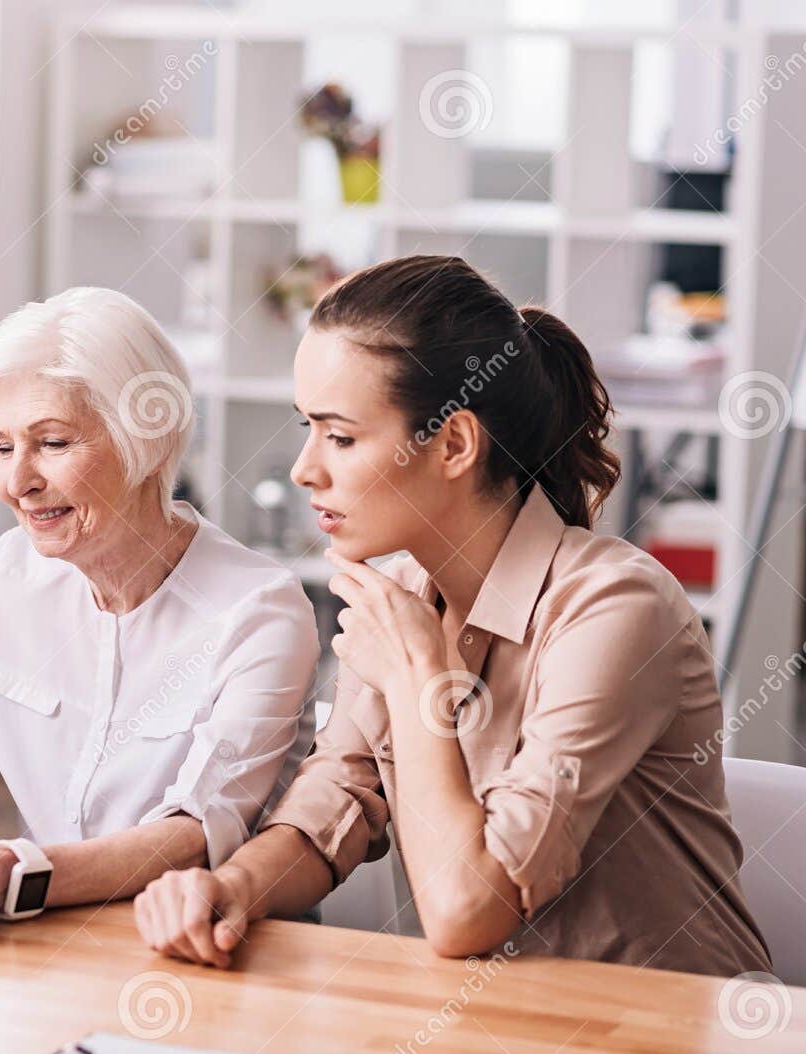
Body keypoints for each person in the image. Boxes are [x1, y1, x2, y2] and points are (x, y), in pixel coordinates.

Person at [134, 254, 771, 977]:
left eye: (340, 436)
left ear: (455, 444)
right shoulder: (404, 591)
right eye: (307, 429)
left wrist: (414, 680)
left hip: (675, 1049)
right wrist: (230, 889)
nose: (305, 468)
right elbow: (336, 802)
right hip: (500, 1032)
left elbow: (469, 911)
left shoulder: (615, 607)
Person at [0, 286, 320, 935]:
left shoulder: (258, 611)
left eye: (52, 442)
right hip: (49, 940)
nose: (18, 482)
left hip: (208, 948)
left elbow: (196, 831)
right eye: (0, 447)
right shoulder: (9, 574)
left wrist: (5, 880)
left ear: (149, 443)